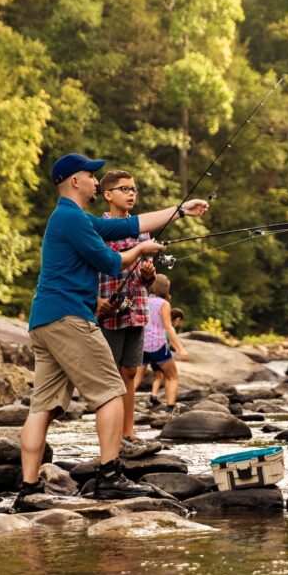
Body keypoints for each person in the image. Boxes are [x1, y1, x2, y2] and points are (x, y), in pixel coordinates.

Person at [13, 153, 208, 510]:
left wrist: (180, 211)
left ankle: (28, 490)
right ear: (75, 181)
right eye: (90, 175)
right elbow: (110, 261)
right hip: (69, 319)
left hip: (45, 321)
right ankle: (110, 476)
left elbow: (132, 224)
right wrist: (142, 249)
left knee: (43, 407)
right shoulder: (71, 218)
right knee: (111, 392)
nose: (94, 181)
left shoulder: (73, 217)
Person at [94, 169, 159, 459]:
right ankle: (111, 436)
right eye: (124, 189)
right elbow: (87, 268)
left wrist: (148, 274)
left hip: (137, 309)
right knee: (111, 375)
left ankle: (127, 432)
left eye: (133, 189)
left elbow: (149, 282)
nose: (131, 194)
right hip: (108, 311)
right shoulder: (97, 229)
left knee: (130, 372)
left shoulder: (143, 231)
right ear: (108, 194)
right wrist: (96, 300)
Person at [143, 275, 188, 416]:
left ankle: (124, 408)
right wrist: (181, 348)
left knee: (133, 380)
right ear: (164, 287)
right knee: (172, 376)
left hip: (141, 345)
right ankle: (169, 409)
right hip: (157, 345)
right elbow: (168, 327)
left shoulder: (143, 299)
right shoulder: (164, 303)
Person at [149, 307, 184, 407]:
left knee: (159, 376)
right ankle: (169, 402)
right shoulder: (170, 328)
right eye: (180, 321)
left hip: (152, 355)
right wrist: (179, 349)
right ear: (177, 319)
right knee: (170, 377)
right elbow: (171, 341)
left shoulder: (161, 325)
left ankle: (153, 396)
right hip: (162, 355)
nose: (179, 324)